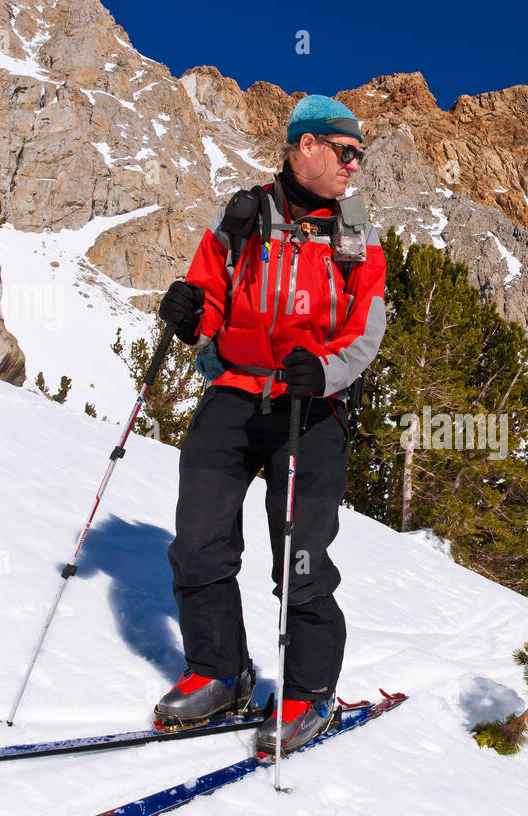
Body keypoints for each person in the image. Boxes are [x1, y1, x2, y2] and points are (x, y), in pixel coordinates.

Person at [152, 95, 386, 755]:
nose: (354, 165)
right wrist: (186, 310)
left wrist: (326, 370)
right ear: (304, 145)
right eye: (345, 151)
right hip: (232, 392)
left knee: (302, 563)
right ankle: (219, 671)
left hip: (311, 408)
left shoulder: (356, 232)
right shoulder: (243, 214)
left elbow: (366, 329)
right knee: (198, 544)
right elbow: (209, 299)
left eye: (359, 155)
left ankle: (311, 694)